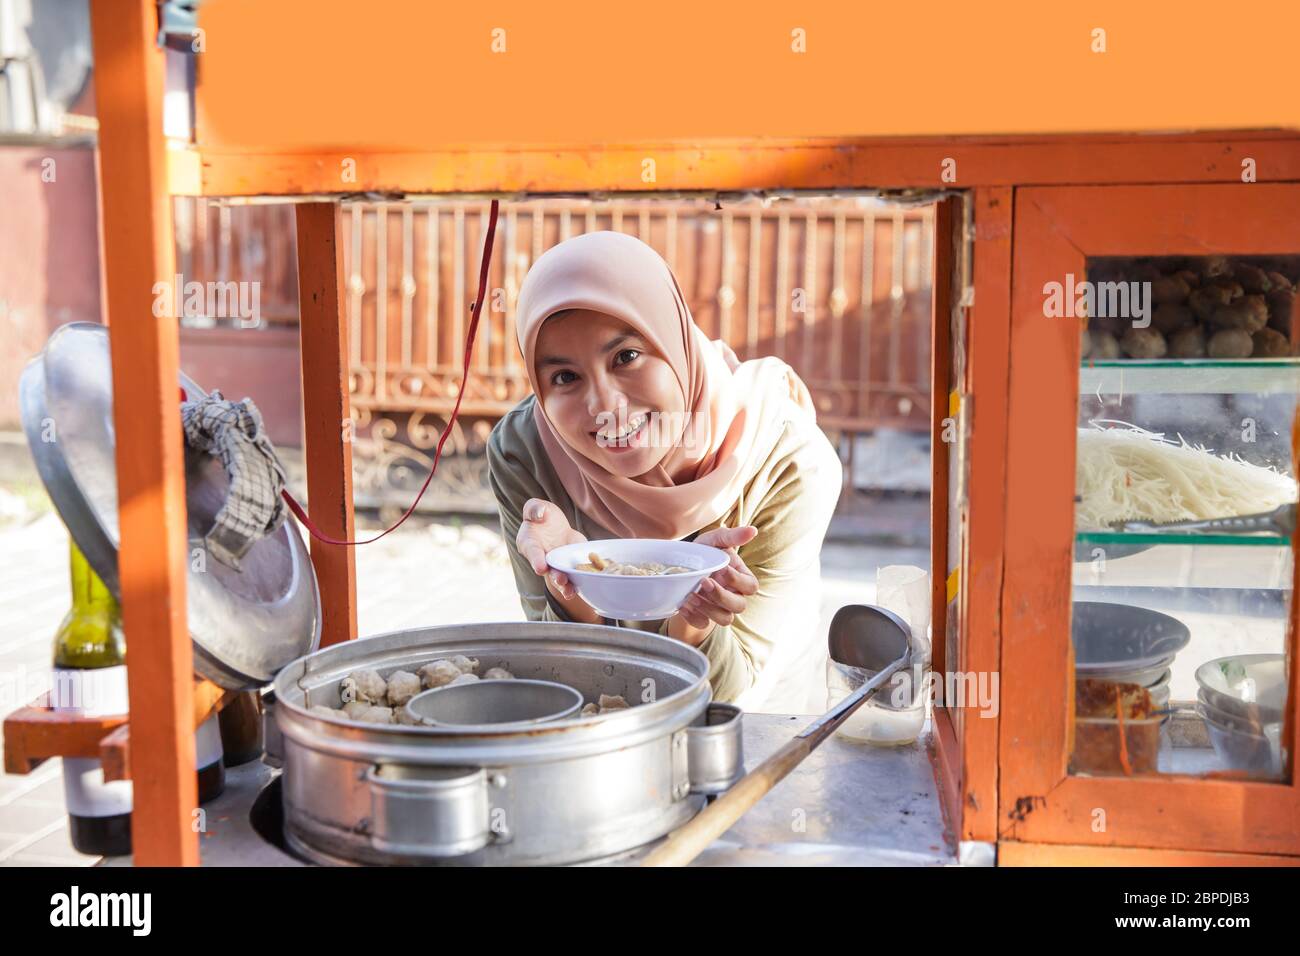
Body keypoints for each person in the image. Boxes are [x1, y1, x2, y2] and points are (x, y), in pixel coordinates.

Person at [486, 231, 842, 713]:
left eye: (626, 357)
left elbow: (736, 697)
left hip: (765, 730)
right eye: (565, 377)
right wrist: (569, 587)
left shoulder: (786, 461)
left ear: (672, 341)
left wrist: (694, 622)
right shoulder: (524, 452)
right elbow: (561, 677)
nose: (604, 405)